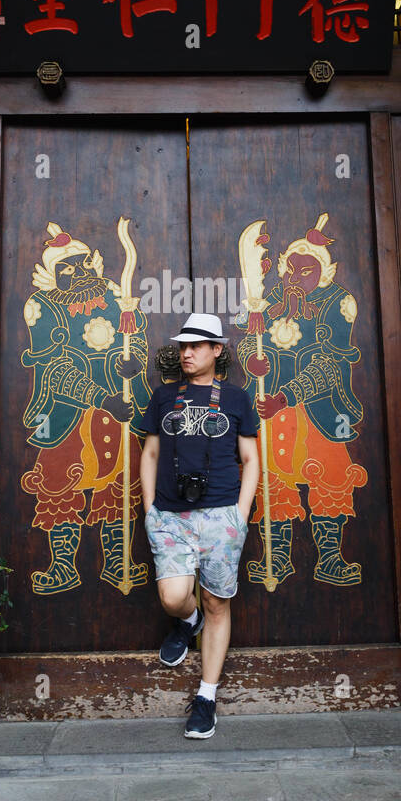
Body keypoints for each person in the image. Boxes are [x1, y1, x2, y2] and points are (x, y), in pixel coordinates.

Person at [140, 312, 260, 739]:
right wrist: (151, 509)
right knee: (175, 597)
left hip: (221, 515)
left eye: (196, 346)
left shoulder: (236, 399)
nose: (186, 353)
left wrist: (240, 516)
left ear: (217, 351)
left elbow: (251, 460)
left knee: (217, 604)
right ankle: (186, 623)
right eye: (182, 346)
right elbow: (150, 454)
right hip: (171, 515)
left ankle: (206, 697)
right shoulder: (162, 397)